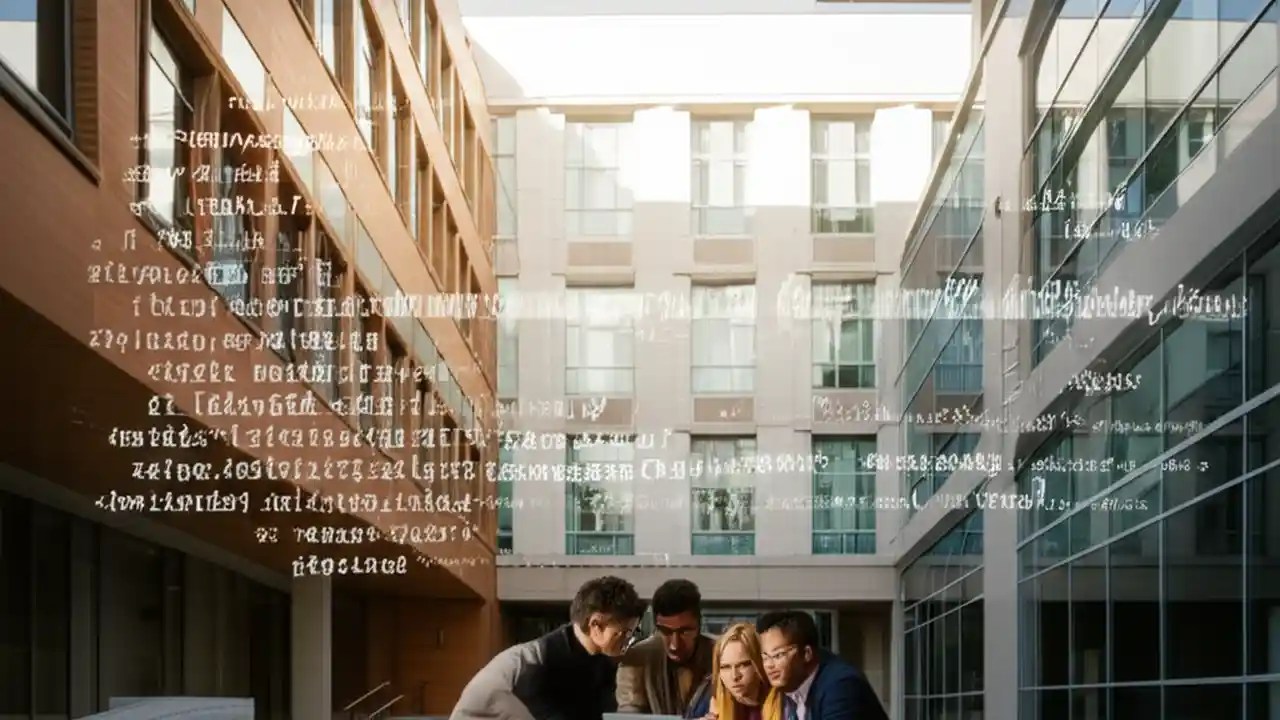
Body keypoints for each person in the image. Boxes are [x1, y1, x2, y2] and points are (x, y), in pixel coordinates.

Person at [449, 576, 648, 720]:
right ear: (595, 625)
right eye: (623, 633)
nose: (628, 640)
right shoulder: (533, 665)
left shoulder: (598, 661)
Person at [756, 611, 888, 720]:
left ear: (807, 654)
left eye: (778, 655)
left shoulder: (841, 686)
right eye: (765, 657)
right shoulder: (791, 685)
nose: (769, 665)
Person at [616, 579, 716, 715]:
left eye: (685, 632)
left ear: (699, 625)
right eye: (666, 632)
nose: (675, 645)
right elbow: (629, 714)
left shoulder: (723, 654)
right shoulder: (637, 658)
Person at [685, 622, 779, 720]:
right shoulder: (711, 698)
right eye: (725, 667)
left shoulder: (783, 699)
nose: (734, 676)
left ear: (759, 662)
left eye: (743, 665)